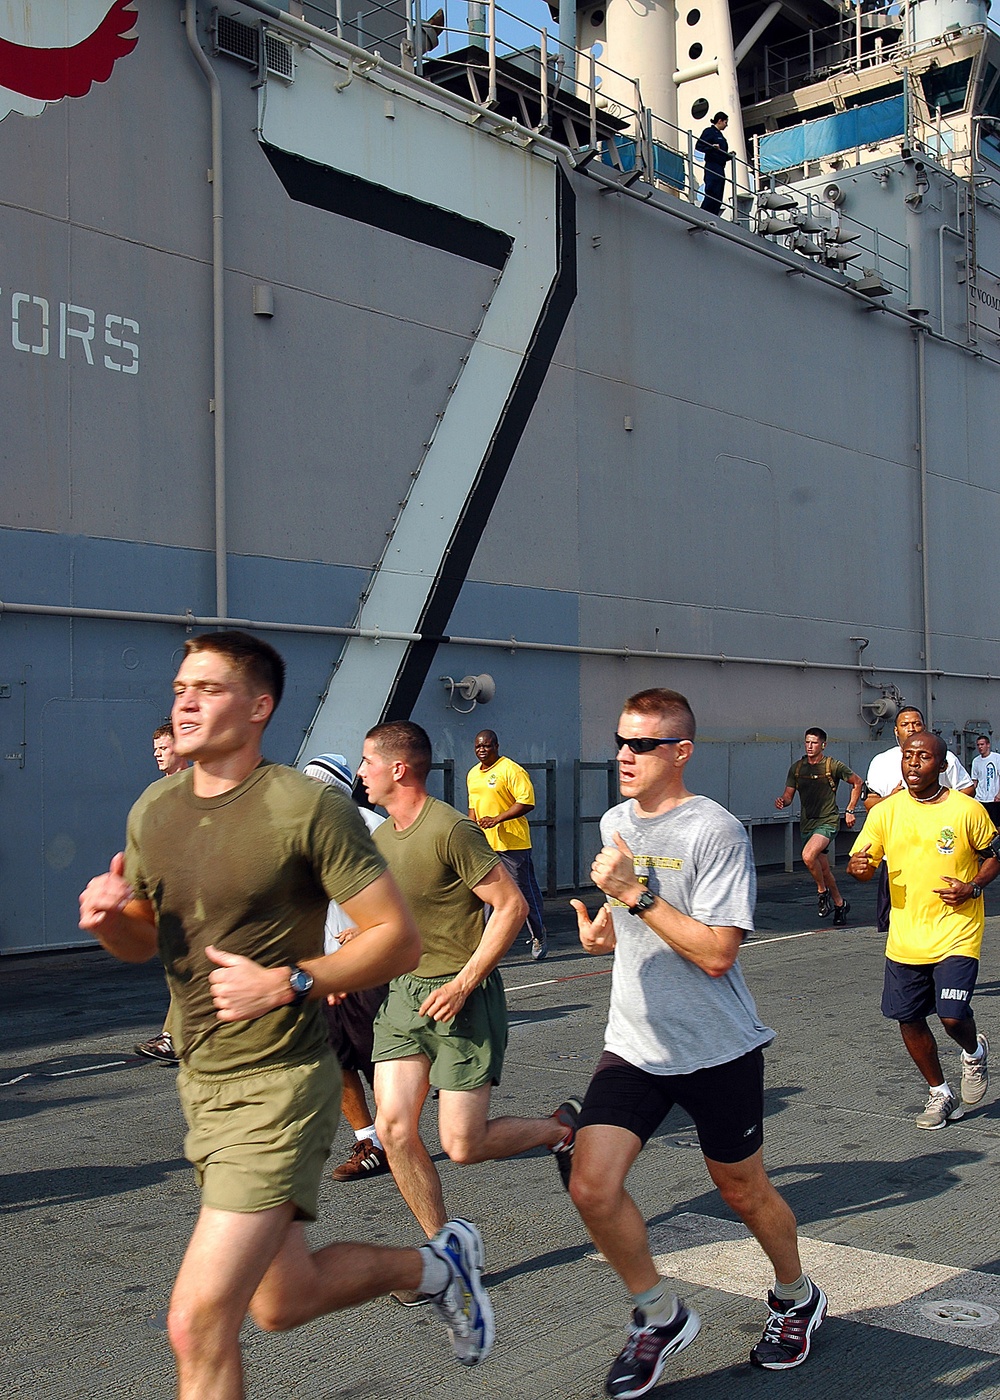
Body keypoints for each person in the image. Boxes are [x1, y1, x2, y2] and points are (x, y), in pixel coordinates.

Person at [79, 631, 495, 1399]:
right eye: (180, 689)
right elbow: (144, 938)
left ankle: (440, 1262)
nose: (186, 702)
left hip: (279, 1082)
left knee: (197, 1322)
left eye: (208, 688)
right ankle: (438, 1265)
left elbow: (396, 940)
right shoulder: (156, 810)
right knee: (282, 1300)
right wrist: (109, 918)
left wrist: (290, 982)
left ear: (259, 706)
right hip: (204, 1083)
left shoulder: (303, 810)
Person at [568, 688, 826, 1398]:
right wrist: (605, 928)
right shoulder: (617, 819)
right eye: (620, 741)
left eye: (642, 744)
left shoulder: (714, 832)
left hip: (717, 1047)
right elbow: (628, 919)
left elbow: (717, 953)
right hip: (636, 1041)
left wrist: (635, 897)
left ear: (680, 752)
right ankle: (659, 1314)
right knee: (591, 1184)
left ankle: (796, 1296)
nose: (624, 755)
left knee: (742, 1191)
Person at [359, 720, 581, 1246]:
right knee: (393, 1131)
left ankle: (562, 1129)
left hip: (462, 997)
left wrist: (463, 983)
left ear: (398, 768)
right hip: (404, 998)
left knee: (462, 1143)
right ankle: (445, 1250)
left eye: (367, 761)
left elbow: (510, 906)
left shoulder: (450, 829)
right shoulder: (382, 837)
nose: (361, 772)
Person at [848, 730, 998, 1130]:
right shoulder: (885, 812)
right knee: (909, 1019)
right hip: (906, 938)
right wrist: (858, 869)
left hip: (957, 930)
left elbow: (994, 856)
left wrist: (974, 886)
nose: (913, 763)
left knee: (951, 1017)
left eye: (924, 757)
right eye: (908, 756)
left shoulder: (966, 810)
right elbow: (861, 861)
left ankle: (974, 1051)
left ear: (943, 766)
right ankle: (940, 1093)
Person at [302, 751, 390, 1183]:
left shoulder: (373, 829)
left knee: (379, 1059)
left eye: (317, 786)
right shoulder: (299, 836)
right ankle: (369, 1138)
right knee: (332, 1056)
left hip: (370, 966)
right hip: (321, 969)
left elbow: (404, 897)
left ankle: (395, 1136)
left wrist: (368, 931)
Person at [864, 706, 975, 934]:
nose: (911, 729)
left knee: (939, 914)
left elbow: (968, 789)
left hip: (939, 852)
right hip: (897, 855)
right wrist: (892, 800)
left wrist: (940, 808)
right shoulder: (881, 762)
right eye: (905, 725)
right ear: (896, 731)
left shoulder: (945, 758)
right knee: (896, 923)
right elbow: (869, 803)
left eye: (916, 724)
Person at [134, 723, 190, 1065]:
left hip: (193, 892)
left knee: (184, 967)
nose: (157, 754)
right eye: (155, 749)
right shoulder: (158, 791)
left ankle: (174, 1038)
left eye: (163, 748)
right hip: (167, 891)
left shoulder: (196, 787)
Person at [467, 729, 549, 961]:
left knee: (523, 890)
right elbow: (473, 807)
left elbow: (527, 802)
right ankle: (486, 945)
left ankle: (538, 934)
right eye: (478, 746)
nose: (482, 750)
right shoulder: (473, 774)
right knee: (487, 893)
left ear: (496, 746)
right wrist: (472, 831)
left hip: (513, 842)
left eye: (487, 746)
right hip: (486, 844)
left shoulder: (511, 770)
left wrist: (498, 818)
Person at [774, 727, 862, 926]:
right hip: (808, 823)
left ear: (823, 745)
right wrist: (782, 801)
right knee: (822, 868)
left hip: (828, 821)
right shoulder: (797, 769)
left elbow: (857, 782)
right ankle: (840, 904)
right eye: (807, 742)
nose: (810, 746)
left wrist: (850, 809)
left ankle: (822, 893)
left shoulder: (832, 766)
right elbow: (789, 796)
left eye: (814, 742)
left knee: (807, 855)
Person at [695, 112, 730, 217]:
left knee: (718, 193)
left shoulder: (720, 136)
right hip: (712, 165)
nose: (726, 125)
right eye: (725, 122)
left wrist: (729, 156)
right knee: (712, 191)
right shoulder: (710, 132)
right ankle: (704, 214)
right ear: (719, 120)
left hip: (720, 166)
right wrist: (711, 147)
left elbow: (721, 153)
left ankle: (713, 214)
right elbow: (699, 146)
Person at [971, 734, 1000, 824]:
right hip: (980, 798)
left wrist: (999, 794)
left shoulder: (996, 758)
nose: (980, 747)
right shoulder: (976, 761)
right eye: (978, 745)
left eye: (982, 744)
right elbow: (974, 780)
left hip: (993, 798)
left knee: (996, 823)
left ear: (988, 745)